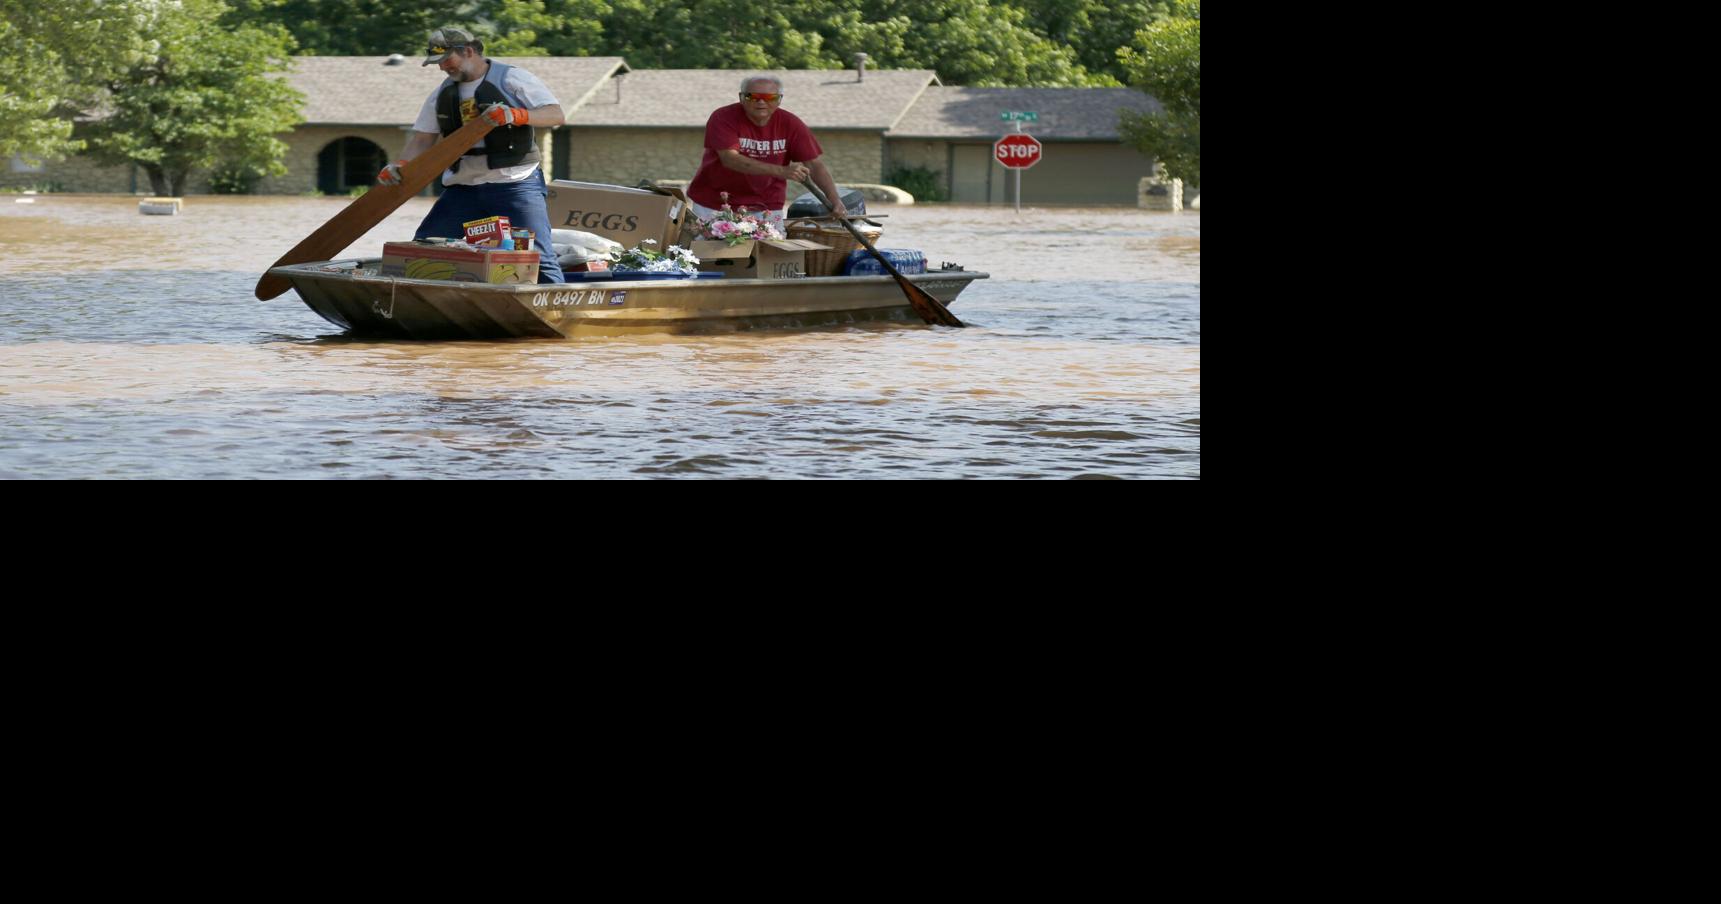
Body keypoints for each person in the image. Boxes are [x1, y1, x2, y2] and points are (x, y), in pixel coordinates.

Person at [377, 26, 565, 283]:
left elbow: (555, 114)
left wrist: (516, 115)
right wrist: (400, 165)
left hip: (515, 184)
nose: (442, 67)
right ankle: (423, 301)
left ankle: (552, 303)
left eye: (446, 59)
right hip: (463, 189)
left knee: (537, 257)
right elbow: (422, 139)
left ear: (467, 51)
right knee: (425, 250)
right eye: (438, 62)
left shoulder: (512, 78)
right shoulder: (441, 94)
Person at [685, 76, 847, 232]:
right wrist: (782, 171)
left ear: (779, 100)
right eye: (752, 96)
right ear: (741, 97)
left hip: (766, 205)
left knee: (770, 249)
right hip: (715, 203)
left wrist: (834, 200)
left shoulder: (790, 124)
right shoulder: (723, 117)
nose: (761, 102)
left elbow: (814, 164)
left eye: (769, 97)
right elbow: (730, 159)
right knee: (711, 250)